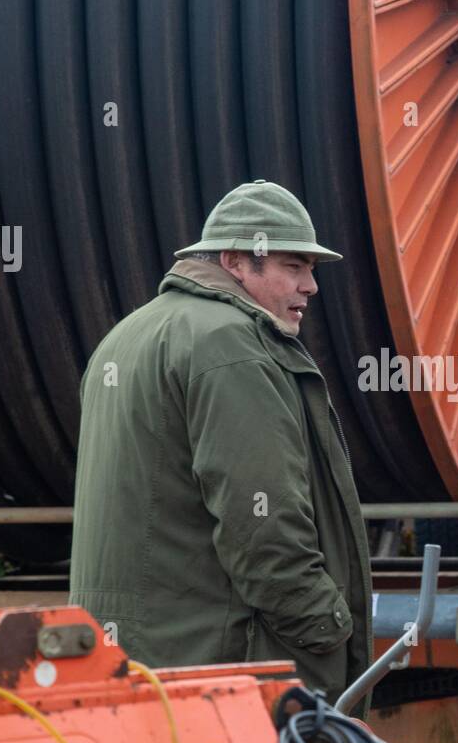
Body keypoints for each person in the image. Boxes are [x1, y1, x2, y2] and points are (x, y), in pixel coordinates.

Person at [70, 181, 371, 698]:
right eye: (293, 267)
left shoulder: (125, 337)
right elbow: (262, 526)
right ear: (236, 260)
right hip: (217, 674)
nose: (311, 287)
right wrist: (327, 628)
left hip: (132, 666)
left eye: (311, 270)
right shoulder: (231, 345)